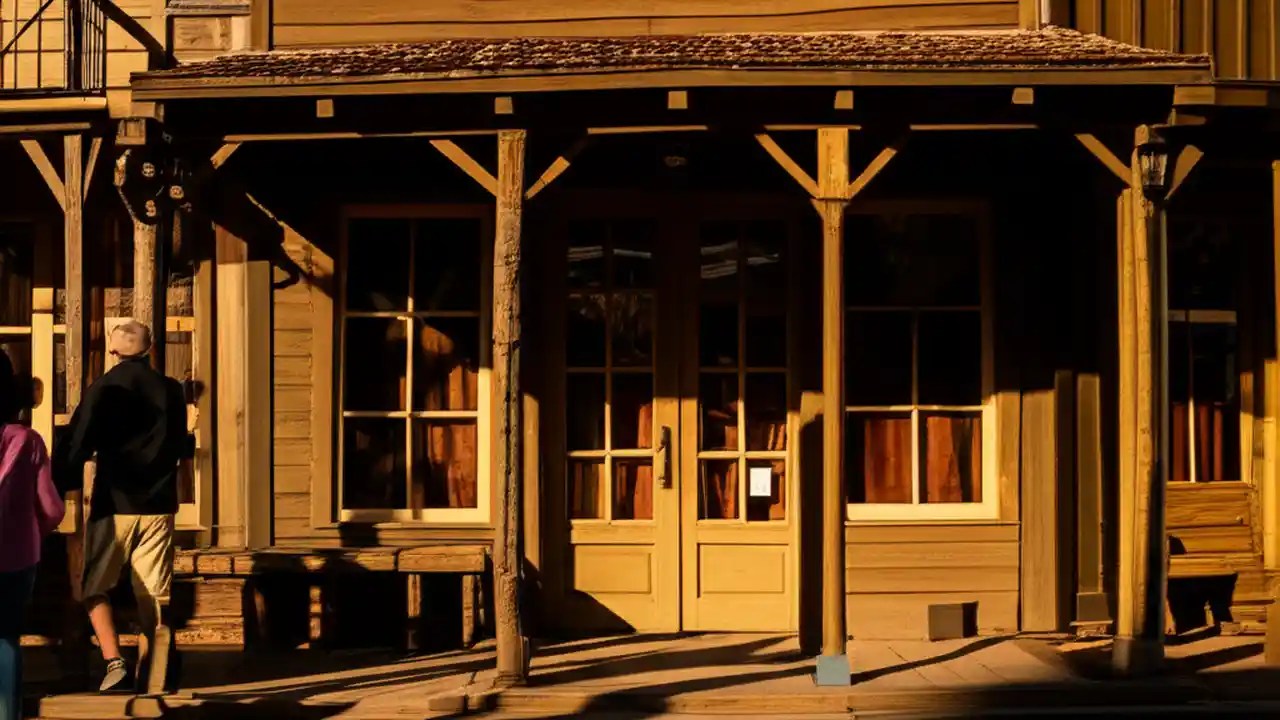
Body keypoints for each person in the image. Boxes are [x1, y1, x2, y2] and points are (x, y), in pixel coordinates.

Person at [54, 321, 190, 693]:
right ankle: (154, 669)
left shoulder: (105, 388)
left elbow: (78, 442)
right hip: (159, 503)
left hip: (114, 502)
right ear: (150, 349)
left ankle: (114, 662)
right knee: (153, 594)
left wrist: (57, 482)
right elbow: (181, 444)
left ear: (112, 351)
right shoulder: (171, 390)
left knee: (94, 586)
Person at [0, 350, 64, 720]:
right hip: (16, 556)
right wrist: (31, 533)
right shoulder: (28, 441)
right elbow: (52, 509)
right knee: (6, 637)